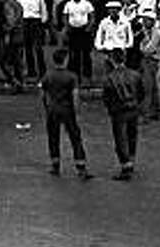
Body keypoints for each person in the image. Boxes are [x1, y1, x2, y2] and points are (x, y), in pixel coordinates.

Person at [41, 48, 92, 180]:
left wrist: (47, 107)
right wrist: (76, 111)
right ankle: (81, 166)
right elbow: (75, 95)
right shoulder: (71, 77)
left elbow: (43, 94)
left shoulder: (48, 75)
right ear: (65, 60)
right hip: (67, 110)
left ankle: (55, 164)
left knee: (53, 137)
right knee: (75, 137)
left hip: (52, 109)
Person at [101, 48, 144, 181]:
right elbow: (141, 93)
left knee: (120, 139)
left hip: (119, 111)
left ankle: (125, 166)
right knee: (132, 136)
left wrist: (110, 109)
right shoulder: (135, 75)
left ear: (112, 60)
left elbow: (106, 98)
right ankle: (131, 161)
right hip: (133, 109)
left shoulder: (109, 78)